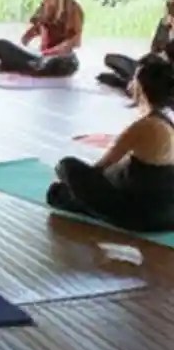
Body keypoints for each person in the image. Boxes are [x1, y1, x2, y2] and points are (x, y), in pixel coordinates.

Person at [48, 54, 174, 231]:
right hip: (170, 215)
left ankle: (74, 200)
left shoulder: (144, 126)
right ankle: (76, 201)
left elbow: (103, 166)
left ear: (142, 87)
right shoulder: (167, 121)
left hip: (144, 218)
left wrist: (83, 184)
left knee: (66, 167)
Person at [98, 0, 174, 92]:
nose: (169, 9)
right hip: (153, 67)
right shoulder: (164, 24)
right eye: (169, 5)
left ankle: (131, 84)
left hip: (167, 76)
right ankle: (135, 82)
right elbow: (154, 50)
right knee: (111, 59)